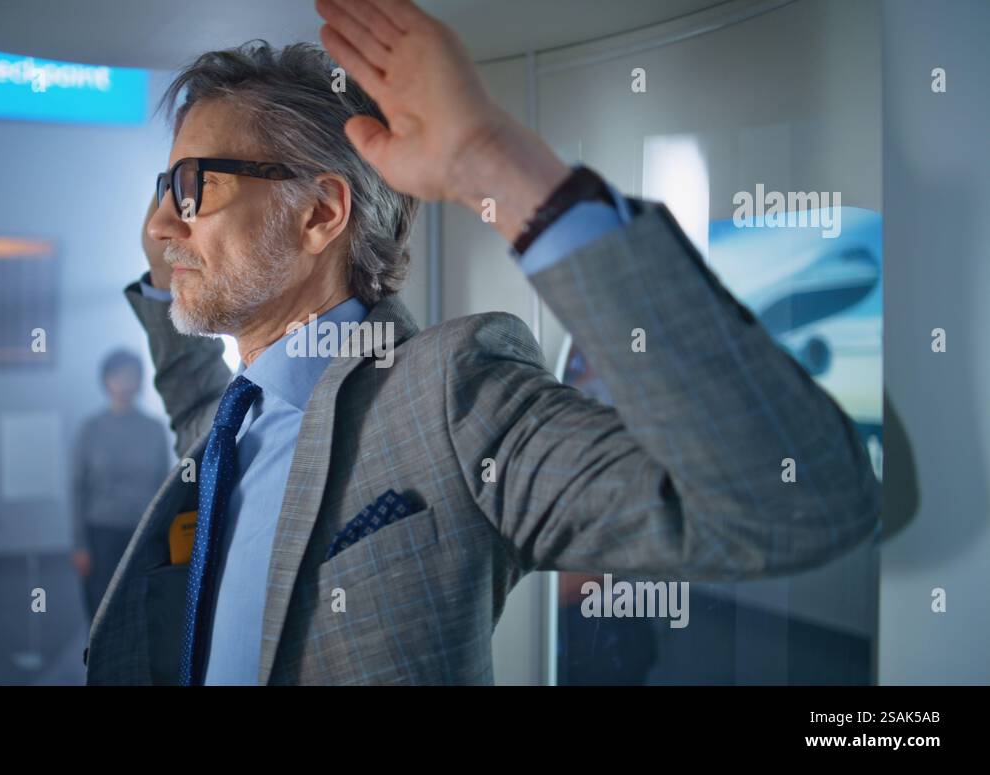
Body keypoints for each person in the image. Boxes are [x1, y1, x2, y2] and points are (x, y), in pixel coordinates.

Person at [84, 0, 881, 685]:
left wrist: (492, 164)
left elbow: (793, 502)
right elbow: (192, 394)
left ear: (320, 215)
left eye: (192, 188)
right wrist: (175, 265)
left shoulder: (448, 394)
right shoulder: (234, 426)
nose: (158, 223)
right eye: (163, 190)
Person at [71, 349, 170, 621]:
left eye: (131, 375)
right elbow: (78, 489)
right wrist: (80, 544)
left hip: (143, 531)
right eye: (118, 375)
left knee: (141, 607)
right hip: (101, 531)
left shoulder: (153, 429)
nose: (125, 382)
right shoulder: (90, 429)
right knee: (102, 609)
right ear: (105, 380)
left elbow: (164, 487)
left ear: (140, 381)